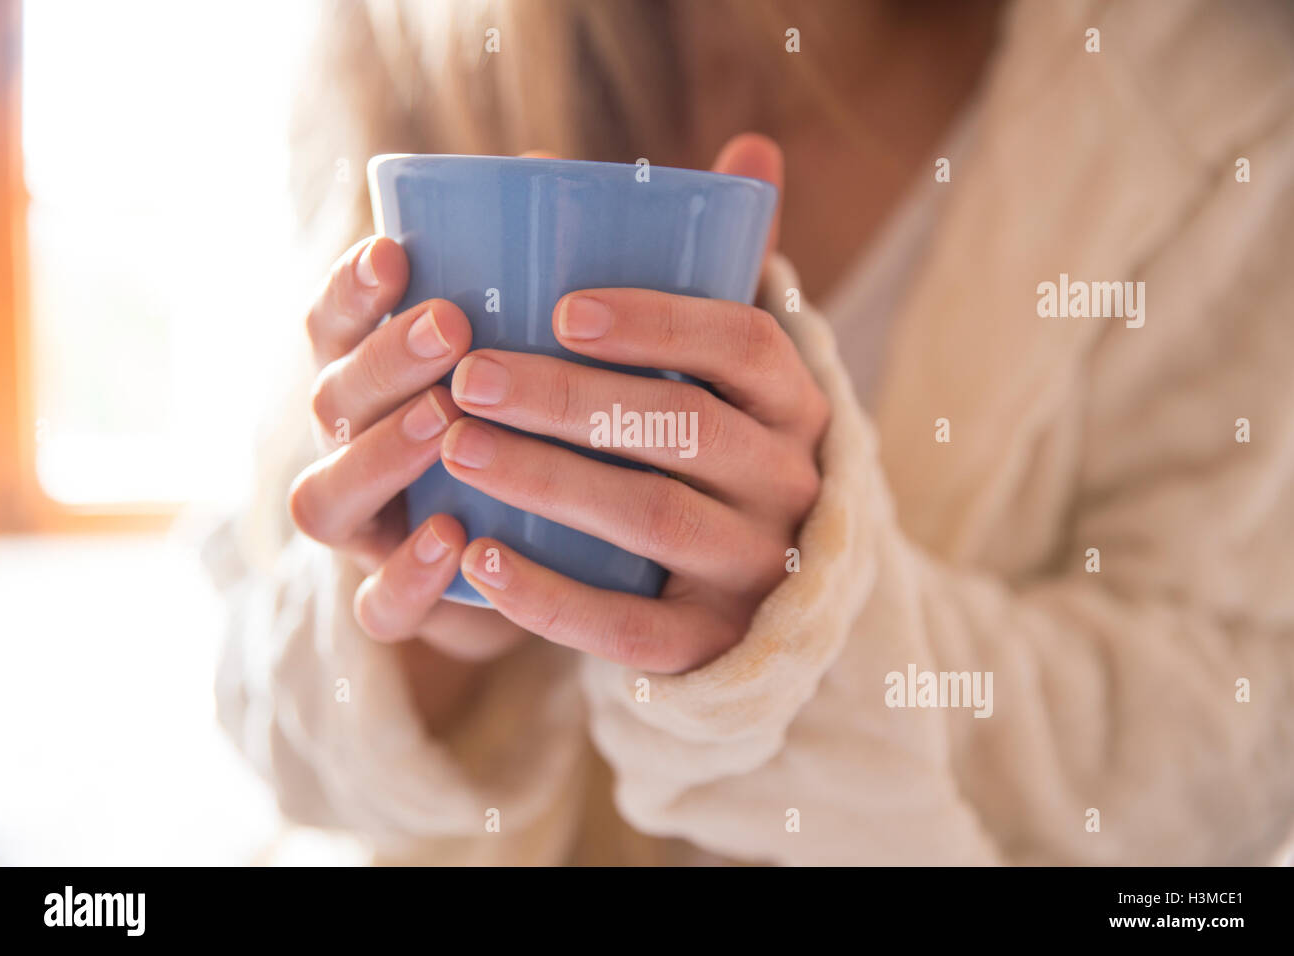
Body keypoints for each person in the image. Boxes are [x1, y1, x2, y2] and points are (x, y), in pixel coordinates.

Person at [210, 0, 1294, 864]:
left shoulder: (1218, 92)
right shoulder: (406, 38)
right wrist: (431, 622)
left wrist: (803, 638)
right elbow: (248, 648)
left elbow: (1233, 745)